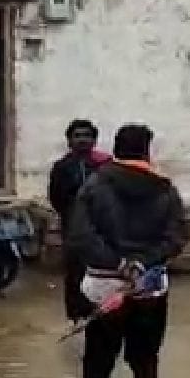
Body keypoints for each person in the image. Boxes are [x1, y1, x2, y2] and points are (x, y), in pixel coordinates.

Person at [68, 124, 188, 378]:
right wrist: (141, 263)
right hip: (149, 290)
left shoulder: (94, 185)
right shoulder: (165, 189)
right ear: (147, 150)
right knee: (146, 362)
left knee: (96, 364)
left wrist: (117, 263)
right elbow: (177, 238)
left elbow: (81, 235)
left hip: (103, 289)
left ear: (116, 149)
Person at [47, 119, 111, 322]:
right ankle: (75, 318)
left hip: (104, 230)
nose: (82, 140)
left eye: (87, 136)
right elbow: (56, 197)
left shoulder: (105, 167)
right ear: (69, 141)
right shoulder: (62, 167)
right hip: (73, 229)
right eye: (77, 136)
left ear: (94, 140)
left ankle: (101, 313)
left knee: (102, 273)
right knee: (75, 273)